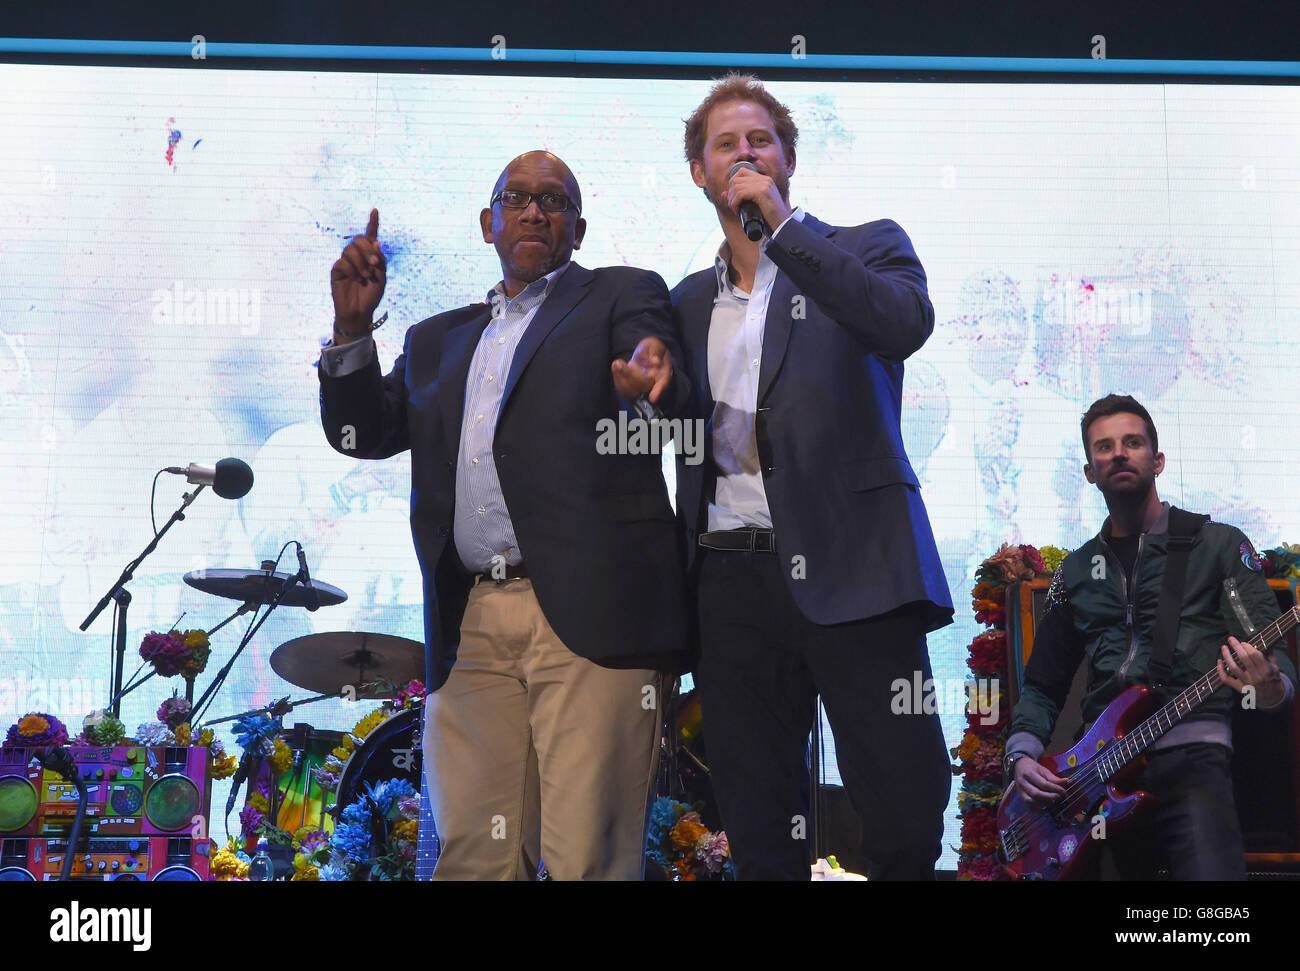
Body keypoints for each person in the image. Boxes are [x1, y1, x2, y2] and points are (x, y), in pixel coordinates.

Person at [318, 151, 689, 880]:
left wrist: (653, 377)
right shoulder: (436, 340)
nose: (533, 210)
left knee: (589, 857)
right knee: (472, 859)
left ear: (576, 229)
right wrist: (351, 333)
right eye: (516, 198)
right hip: (472, 622)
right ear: (487, 222)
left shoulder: (619, 296)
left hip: (590, 618)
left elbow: (661, 378)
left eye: (554, 201)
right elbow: (362, 434)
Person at [671, 74, 954, 880]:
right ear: (700, 172)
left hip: (856, 563)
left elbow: (902, 325)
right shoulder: (686, 301)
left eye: (760, 140)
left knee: (904, 797)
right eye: (725, 143)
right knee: (758, 817)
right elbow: (681, 430)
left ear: (787, 159)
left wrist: (786, 231)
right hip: (731, 578)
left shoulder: (865, 247)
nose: (744, 153)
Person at [1006, 393, 1296, 880]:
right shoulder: (1075, 572)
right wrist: (1022, 755)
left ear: (1157, 461)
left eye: (1132, 442)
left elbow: (1275, 659)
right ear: (1089, 472)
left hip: (1194, 753)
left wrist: (1269, 687)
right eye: (1104, 447)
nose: (1118, 453)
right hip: (1096, 778)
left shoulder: (1218, 545)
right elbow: (1042, 685)